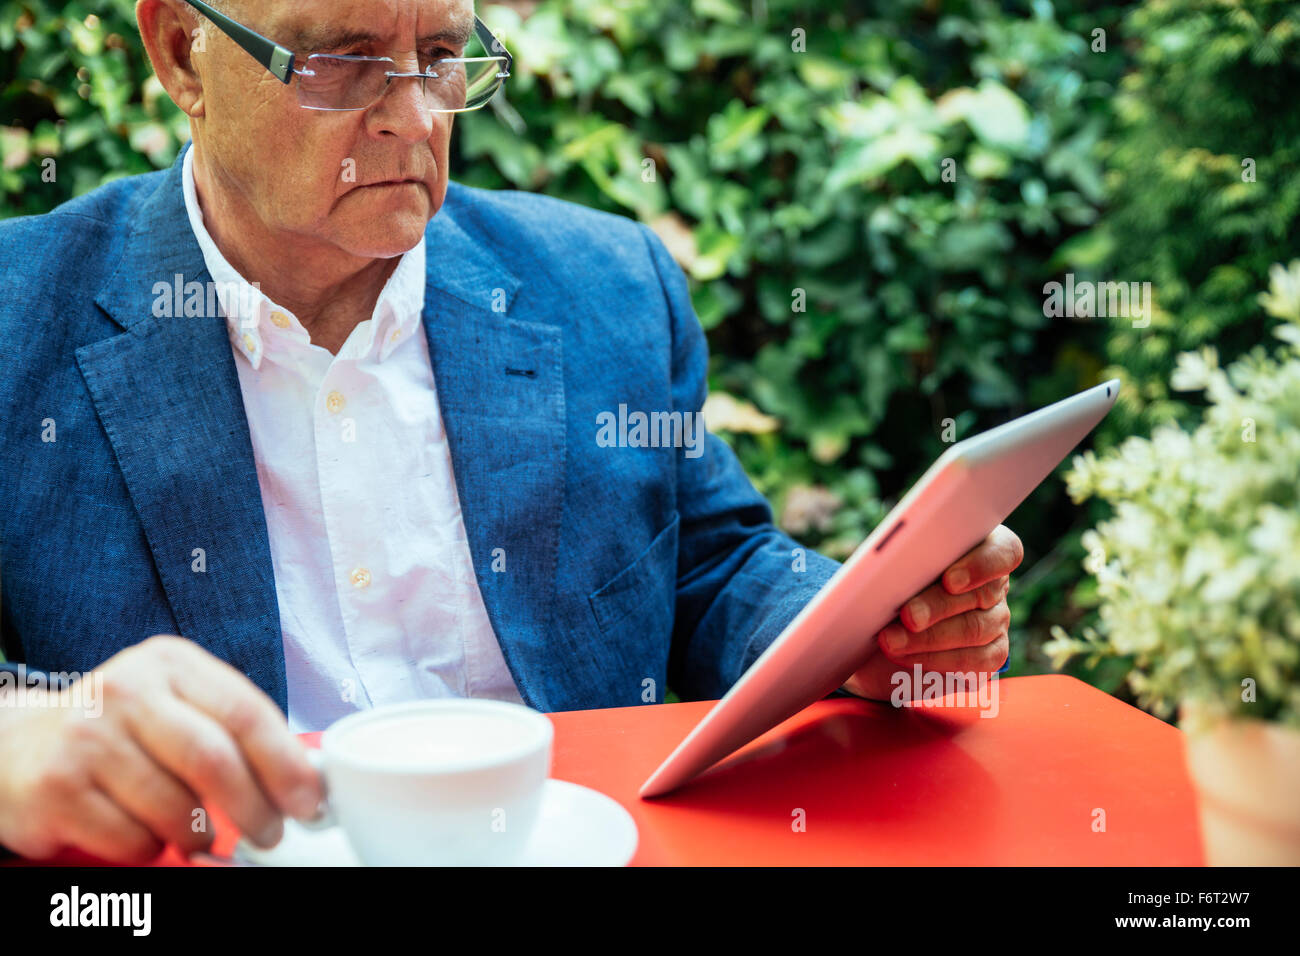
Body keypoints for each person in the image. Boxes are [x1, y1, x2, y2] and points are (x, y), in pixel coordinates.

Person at [0, 0, 1022, 862]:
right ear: (183, 51)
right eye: (347, 63)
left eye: (442, 59)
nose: (411, 117)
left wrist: (868, 628)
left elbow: (712, 567)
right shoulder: (17, 314)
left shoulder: (604, 285)